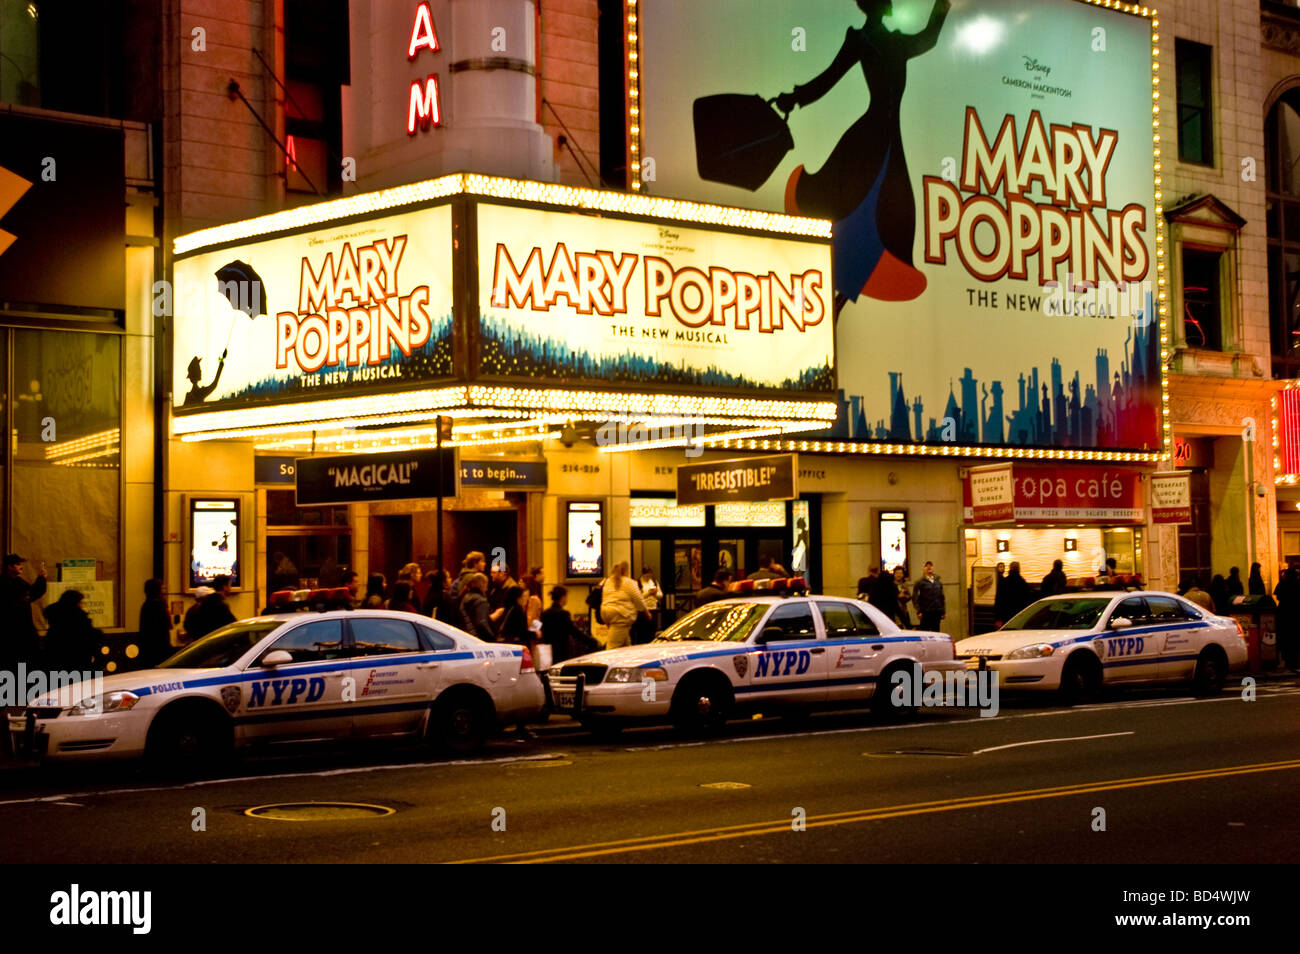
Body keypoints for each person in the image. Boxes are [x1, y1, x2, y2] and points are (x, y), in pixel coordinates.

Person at [775, 0, 951, 305]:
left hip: (885, 140)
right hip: (869, 140)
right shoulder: (862, 39)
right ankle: (816, 291)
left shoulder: (896, 42)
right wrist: (795, 97)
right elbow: (830, 77)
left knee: (878, 217)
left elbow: (928, 38)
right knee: (855, 210)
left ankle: (837, 298)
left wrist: (942, 7)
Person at [1, 552, 47, 674]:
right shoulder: (8, 584)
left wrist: (41, 580)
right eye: (17, 564)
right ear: (9, 567)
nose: (21, 566)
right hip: (15, 633)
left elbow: (31, 593)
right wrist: (41, 580)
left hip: (19, 631)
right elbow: (31, 593)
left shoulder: (17, 582)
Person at [42, 589, 101, 673]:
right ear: (75, 602)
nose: (81, 605)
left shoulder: (54, 615)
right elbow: (88, 635)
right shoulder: (78, 617)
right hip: (76, 658)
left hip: (55, 657)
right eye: (80, 602)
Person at [600, 561, 648, 649]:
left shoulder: (608, 581)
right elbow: (638, 598)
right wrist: (646, 611)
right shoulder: (629, 582)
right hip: (621, 615)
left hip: (607, 613)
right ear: (626, 571)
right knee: (612, 647)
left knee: (625, 646)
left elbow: (604, 598)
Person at [541, 586, 584, 663]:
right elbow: (574, 631)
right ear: (563, 597)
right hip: (562, 650)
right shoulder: (563, 614)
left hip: (549, 651)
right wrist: (592, 641)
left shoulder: (545, 613)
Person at [138, 578, 173, 667]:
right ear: (156, 591)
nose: (165, 592)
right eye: (162, 589)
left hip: (150, 650)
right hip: (158, 650)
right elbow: (164, 627)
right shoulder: (157, 606)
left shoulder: (147, 605)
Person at [189, 575, 236, 640]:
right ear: (224, 587)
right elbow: (232, 624)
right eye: (230, 585)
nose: (231, 588)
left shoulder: (206, 602)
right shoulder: (220, 605)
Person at [458, 573, 497, 642]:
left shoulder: (465, 597)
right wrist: (493, 639)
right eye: (486, 584)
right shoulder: (480, 601)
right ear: (482, 584)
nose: (486, 589)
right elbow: (482, 623)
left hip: (467, 638)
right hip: (478, 640)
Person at [1274, 567, 1300, 671]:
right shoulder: (1297, 585)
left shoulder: (1282, 584)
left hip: (1283, 614)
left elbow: (1277, 596)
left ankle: (1287, 660)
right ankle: (1294, 662)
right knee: (1294, 638)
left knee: (1285, 638)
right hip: (1295, 614)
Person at [994, 562, 1032, 627]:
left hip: (1006, 614)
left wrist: (997, 617)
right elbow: (1027, 600)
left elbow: (999, 600)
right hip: (1019, 614)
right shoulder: (1022, 583)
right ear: (1019, 569)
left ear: (1010, 568)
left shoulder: (1003, 582)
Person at [913, 561, 945, 632]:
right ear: (923, 569)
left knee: (936, 633)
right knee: (925, 633)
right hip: (925, 613)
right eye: (926, 566)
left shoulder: (938, 581)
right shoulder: (919, 582)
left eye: (930, 565)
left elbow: (941, 597)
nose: (929, 567)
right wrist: (919, 611)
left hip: (936, 612)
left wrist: (943, 611)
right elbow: (915, 598)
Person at [635, 566, 661, 643]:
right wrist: (648, 593)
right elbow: (638, 597)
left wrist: (655, 593)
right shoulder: (638, 583)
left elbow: (660, 595)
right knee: (643, 632)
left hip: (653, 608)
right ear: (643, 575)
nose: (648, 577)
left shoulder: (654, 581)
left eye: (650, 575)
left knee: (652, 631)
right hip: (643, 610)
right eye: (647, 576)